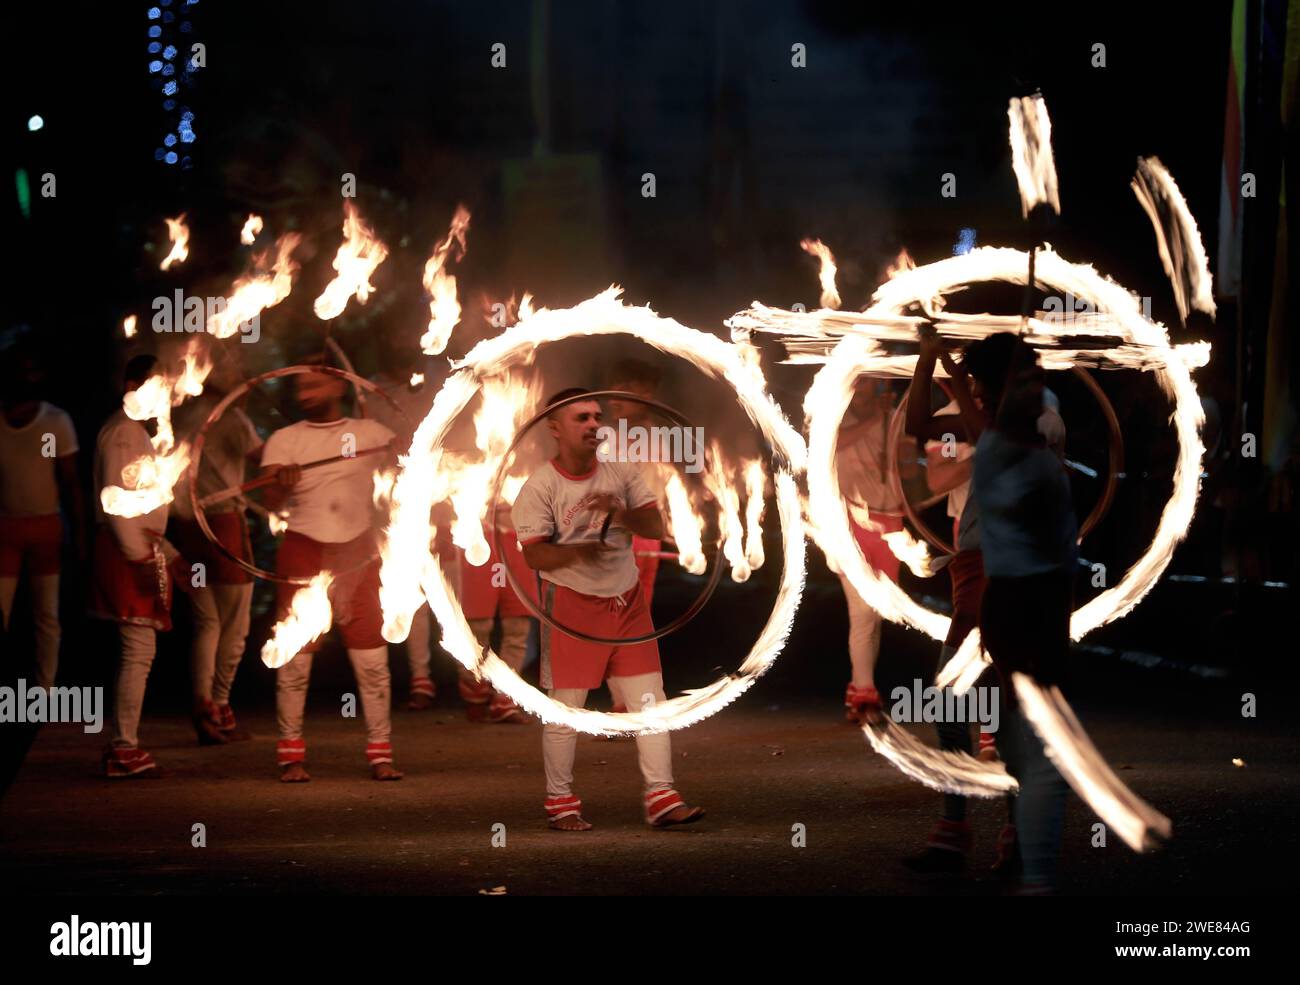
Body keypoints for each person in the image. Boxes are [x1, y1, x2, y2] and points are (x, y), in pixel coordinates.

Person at [901, 328, 1067, 875]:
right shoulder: (987, 415)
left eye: (978, 383)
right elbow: (917, 428)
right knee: (955, 700)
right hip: (976, 571)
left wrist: (954, 375)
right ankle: (959, 831)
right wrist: (927, 360)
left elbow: (995, 446)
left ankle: (1015, 841)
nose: (970, 391)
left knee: (1000, 709)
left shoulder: (1042, 416)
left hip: (1017, 576)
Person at [512, 388, 703, 830]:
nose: (594, 425)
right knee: (566, 710)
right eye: (581, 418)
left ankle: (661, 797)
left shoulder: (621, 472)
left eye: (598, 416)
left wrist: (620, 511)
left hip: (627, 601)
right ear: (555, 427)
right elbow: (535, 557)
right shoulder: (541, 486)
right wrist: (581, 551)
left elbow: (656, 526)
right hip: (573, 608)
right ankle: (561, 803)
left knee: (651, 705)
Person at [949, 332, 1076, 893]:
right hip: (1009, 592)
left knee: (1019, 724)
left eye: (981, 383)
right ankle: (1008, 842)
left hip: (1022, 593)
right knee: (1001, 716)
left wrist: (942, 363)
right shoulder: (1011, 434)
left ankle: (1021, 846)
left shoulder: (1026, 433)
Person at [259, 361, 402, 782]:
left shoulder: (373, 434)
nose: (305, 392)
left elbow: (415, 461)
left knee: (372, 659)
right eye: (300, 386)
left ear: (338, 386)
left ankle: (380, 753)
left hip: (358, 553)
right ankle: (290, 756)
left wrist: (405, 450)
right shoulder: (285, 440)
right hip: (304, 550)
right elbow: (269, 500)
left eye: (314, 384)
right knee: (296, 659)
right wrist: (280, 483)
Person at [91, 355, 187, 778]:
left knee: (139, 650)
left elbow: (145, 510)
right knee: (138, 650)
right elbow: (117, 506)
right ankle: (123, 748)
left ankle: (124, 745)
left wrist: (170, 554)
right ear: (131, 385)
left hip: (142, 549)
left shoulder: (138, 433)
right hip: (126, 551)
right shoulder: (124, 433)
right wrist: (141, 559)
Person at [170, 353, 261, 744]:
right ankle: (219, 706)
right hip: (222, 526)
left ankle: (203, 702)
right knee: (235, 626)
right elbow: (267, 462)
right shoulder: (232, 418)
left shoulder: (181, 414)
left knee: (207, 624)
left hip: (188, 528)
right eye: (239, 373)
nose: (245, 377)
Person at [0, 342, 87, 691]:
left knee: (46, 616)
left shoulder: (54, 423)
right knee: (1, 613)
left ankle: (45, 688)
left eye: (34, 369)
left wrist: (80, 535)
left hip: (46, 529)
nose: (28, 376)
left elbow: (70, 483)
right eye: (22, 369)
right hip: (5, 529)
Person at [835, 376, 909, 723]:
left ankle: (858, 689)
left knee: (875, 616)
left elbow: (909, 462)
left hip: (890, 522)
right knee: (862, 615)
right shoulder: (832, 417)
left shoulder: (893, 416)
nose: (864, 391)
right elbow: (834, 445)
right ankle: (865, 697)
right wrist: (872, 420)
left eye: (871, 384)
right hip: (850, 525)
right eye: (859, 384)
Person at [457, 503, 535, 723]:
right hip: (483, 537)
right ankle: (475, 693)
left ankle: (505, 697)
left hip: (519, 538)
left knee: (518, 625)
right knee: (478, 626)